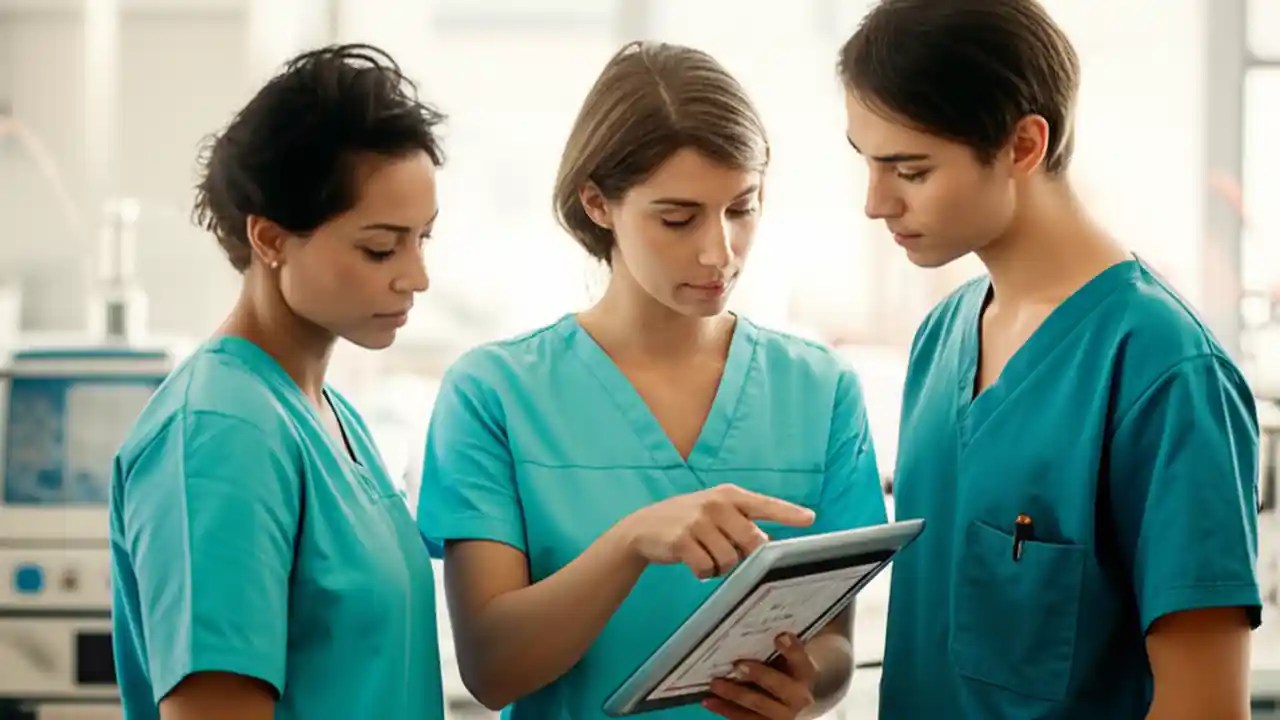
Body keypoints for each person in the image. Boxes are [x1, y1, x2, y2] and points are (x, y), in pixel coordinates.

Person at [418, 40, 888, 720]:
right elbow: (493, 671)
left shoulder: (819, 389)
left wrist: (801, 683)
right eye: (677, 218)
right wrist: (631, 541)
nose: (718, 252)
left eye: (742, 208)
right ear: (597, 203)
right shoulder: (494, 393)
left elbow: (836, 650)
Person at [837, 1, 1264, 718]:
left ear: (1023, 146)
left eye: (908, 170)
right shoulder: (941, 337)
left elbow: (1206, 708)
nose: (875, 203)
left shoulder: (1165, 372)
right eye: (868, 162)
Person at [109, 44, 447, 720]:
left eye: (423, 239)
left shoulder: (329, 415)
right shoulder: (218, 435)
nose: (415, 277)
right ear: (269, 239)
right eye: (380, 247)